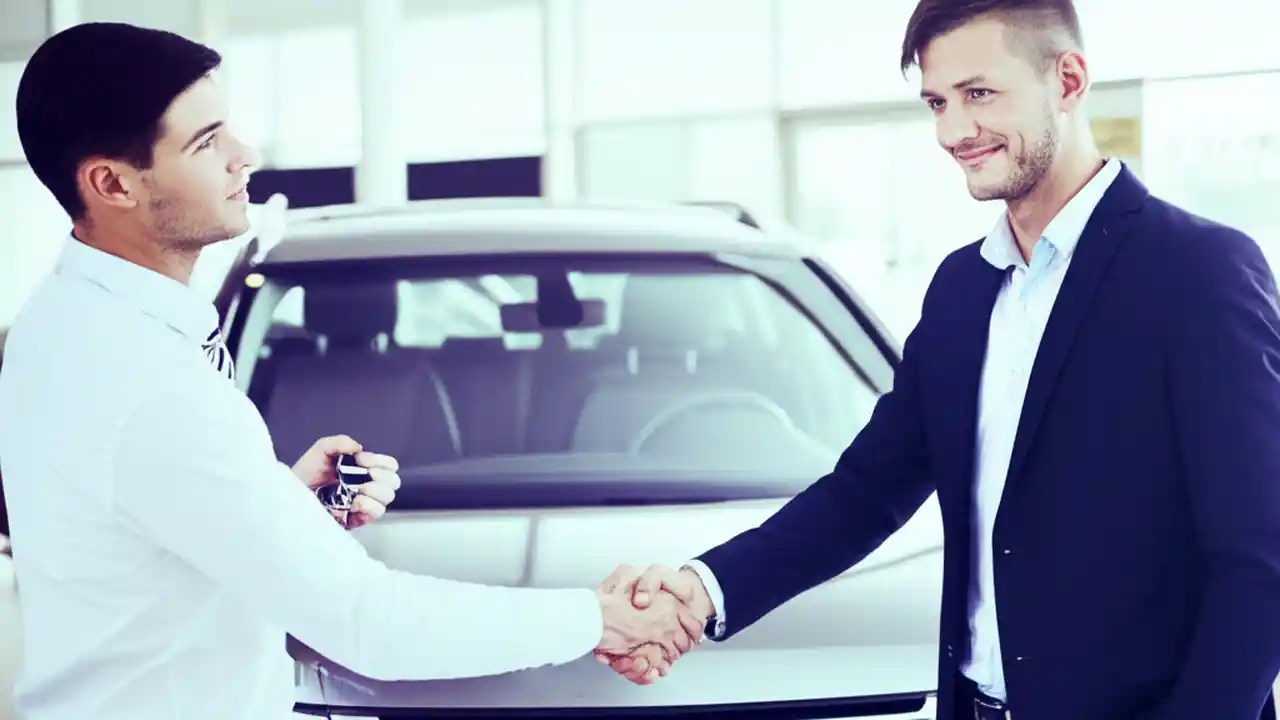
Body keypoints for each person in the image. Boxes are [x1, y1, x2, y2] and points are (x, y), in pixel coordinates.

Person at [595, 0, 1280, 717]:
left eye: (979, 94)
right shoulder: (962, 288)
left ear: (1068, 80)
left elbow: (1262, 559)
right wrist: (702, 593)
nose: (954, 131)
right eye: (937, 102)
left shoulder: (1196, 270)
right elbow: (867, 491)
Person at [0, 22, 701, 720]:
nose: (247, 155)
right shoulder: (144, 380)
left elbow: (142, 529)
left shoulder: (59, 322)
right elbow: (369, 624)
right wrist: (601, 619)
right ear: (111, 183)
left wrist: (277, 506)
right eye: (207, 141)